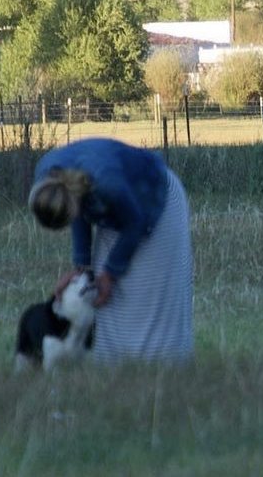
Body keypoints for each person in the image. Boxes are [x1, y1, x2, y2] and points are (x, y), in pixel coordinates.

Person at [28, 138, 193, 364]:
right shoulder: (48, 177)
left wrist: (111, 272)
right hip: (114, 208)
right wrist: (82, 268)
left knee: (149, 293)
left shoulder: (107, 184)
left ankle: (161, 371)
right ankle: (115, 372)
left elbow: (134, 222)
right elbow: (78, 212)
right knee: (106, 297)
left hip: (155, 198)